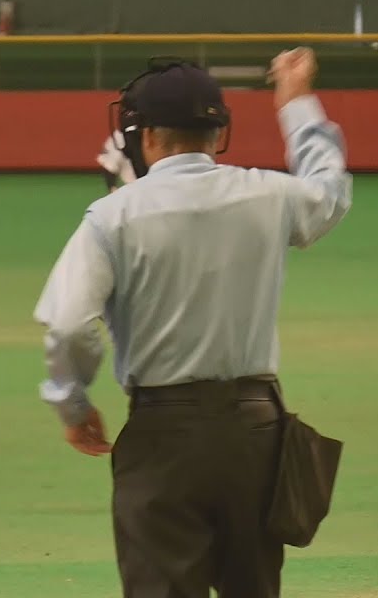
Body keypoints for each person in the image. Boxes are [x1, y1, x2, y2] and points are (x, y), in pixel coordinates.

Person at [33, 49, 351, 597]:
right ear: (217, 132)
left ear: (147, 135)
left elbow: (67, 325)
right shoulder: (268, 195)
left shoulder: (113, 216)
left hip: (162, 437)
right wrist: (296, 100)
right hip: (257, 433)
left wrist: (74, 404)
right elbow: (329, 190)